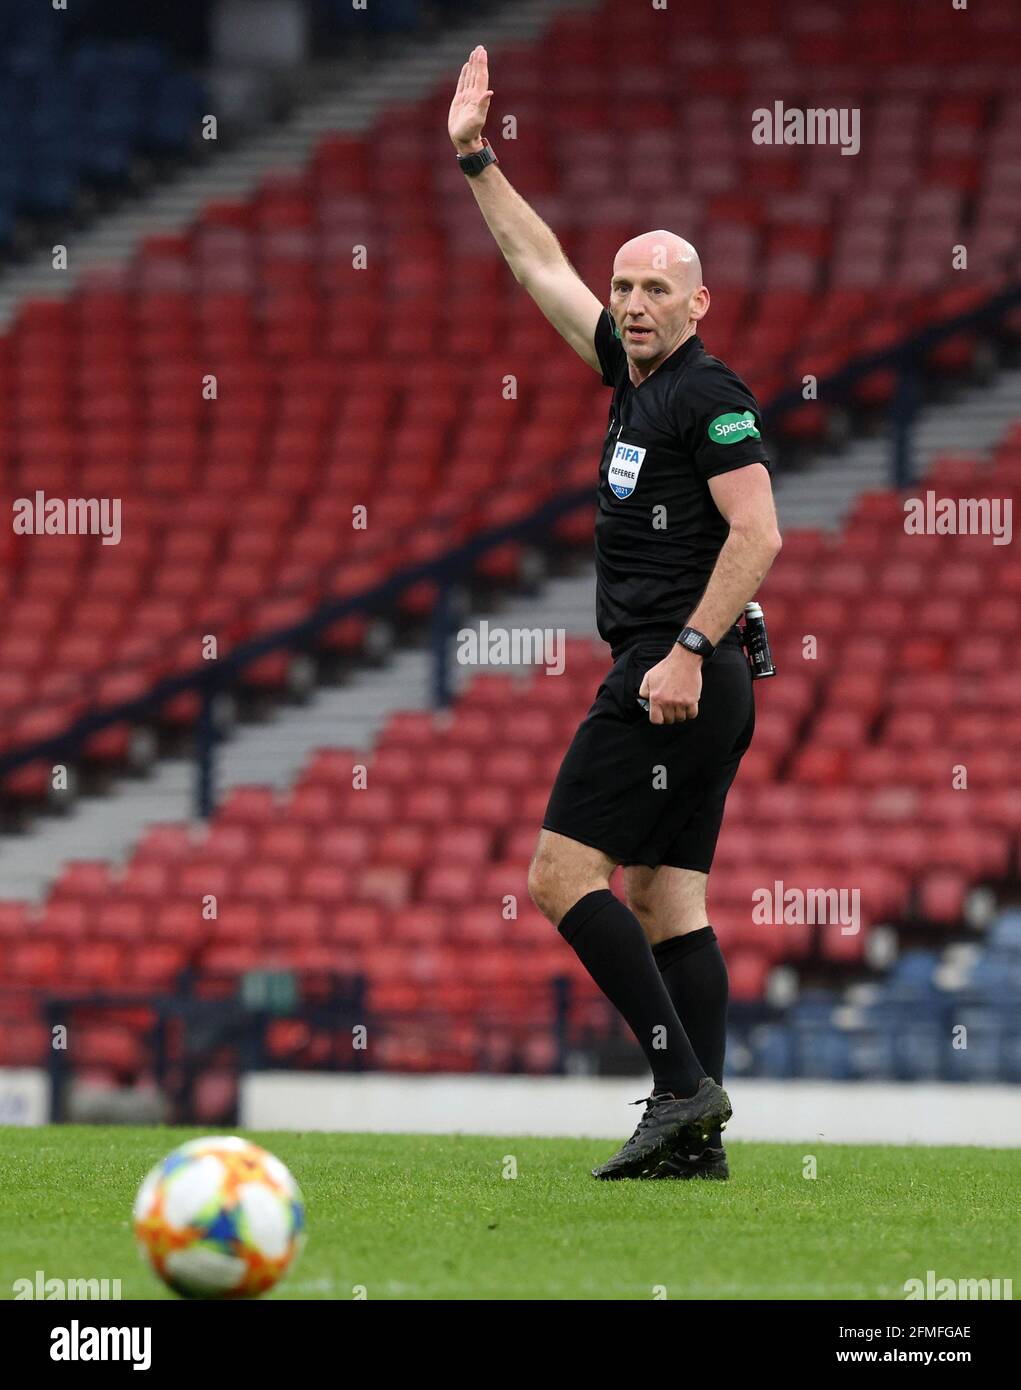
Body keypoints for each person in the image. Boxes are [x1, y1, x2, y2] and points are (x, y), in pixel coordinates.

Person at [449, 47, 782, 1179]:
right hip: (700, 667)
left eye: (654, 290)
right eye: (624, 287)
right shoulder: (633, 379)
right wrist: (476, 160)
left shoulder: (708, 393)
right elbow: (538, 265)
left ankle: (680, 1087)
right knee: (663, 893)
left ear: (698, 304)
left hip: (673, 667)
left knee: (557, 877)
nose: (631, 304)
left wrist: (689, 646)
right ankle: (697, 1141)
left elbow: (759, 533)